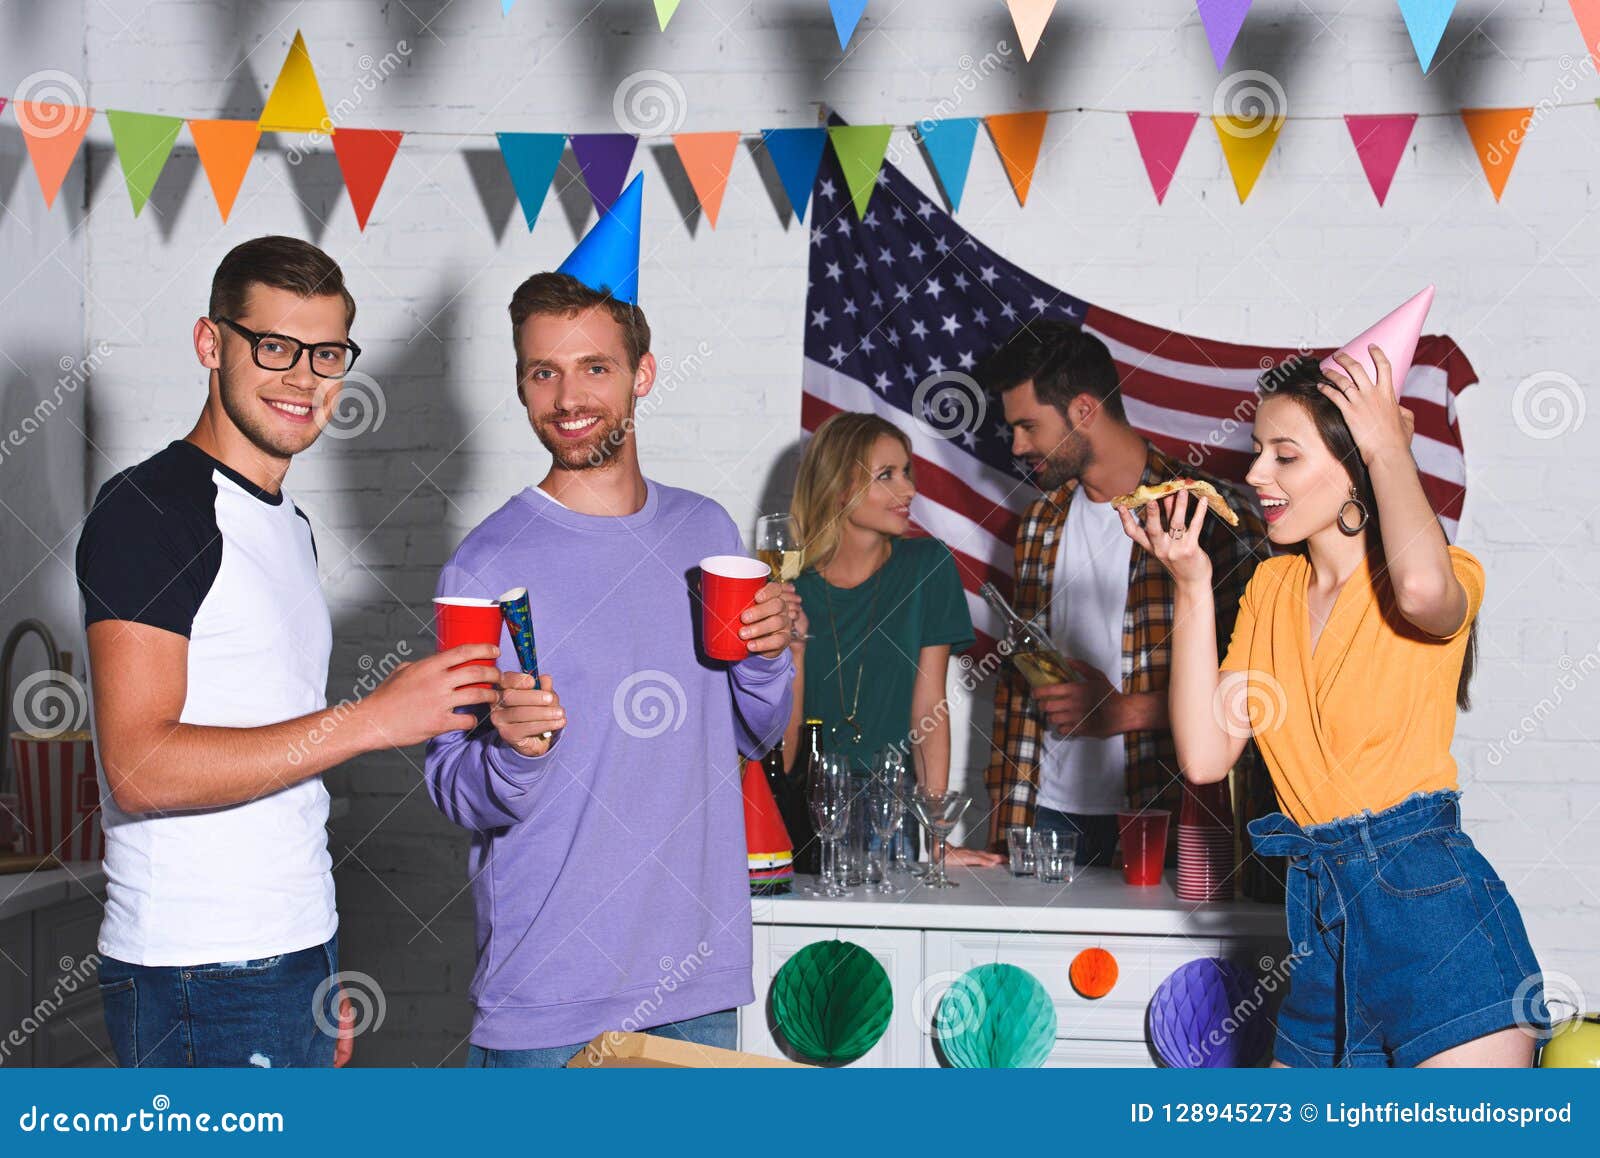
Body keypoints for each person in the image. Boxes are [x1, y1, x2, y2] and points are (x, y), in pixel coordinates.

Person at [76, 236, 500, 1068]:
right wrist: (374, 720)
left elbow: (278, 765)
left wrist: (318, 958)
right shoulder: (150, 511)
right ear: (211, 344)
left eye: (327, 353)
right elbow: (141, 766)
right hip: (198, 970)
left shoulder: (288, 526)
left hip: (289, 955)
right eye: (274, 346)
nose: (304, 378)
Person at [1122, 347, 1548, 1067]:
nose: (1256, 474)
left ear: (1357, 467)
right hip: (1318, 923)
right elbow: (1203, 752)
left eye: (1284, 456)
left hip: (1437, 923)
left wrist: (1389, 446)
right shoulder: (1269, 589)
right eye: (1259, 452)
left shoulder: (1444, 574)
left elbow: (1420, 593)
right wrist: (1191, 588)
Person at [424, 270, 796, 1068]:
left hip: (694, 983)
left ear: (643, 375)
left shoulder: (707, 532)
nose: (568, 397)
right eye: (542, 372)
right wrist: (513, 754)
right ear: (520, 382)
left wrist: (770, 655)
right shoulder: (482, 565)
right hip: (547, 995)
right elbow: (453, 786)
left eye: (595, 366)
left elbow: (751, 734)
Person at [976, 320, 1269, 865]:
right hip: (1044, 817)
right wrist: (1003, 825)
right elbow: (1019, 685)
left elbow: (1255, 687)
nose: (1016, 446)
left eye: (1027, 427)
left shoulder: (1209, 514)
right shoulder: (1039, 521)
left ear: (1084, 410)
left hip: (1165, 811)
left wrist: (1123, 712)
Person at [783, 412, 1003, 868]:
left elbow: (928, 708)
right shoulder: (789, 582)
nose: (908, 490)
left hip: (891, 803)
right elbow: (779, 742)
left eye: (906, 472)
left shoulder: (927, 565)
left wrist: (938, 838)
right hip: (803, 805)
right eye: (886, 475)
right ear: (838, 487)